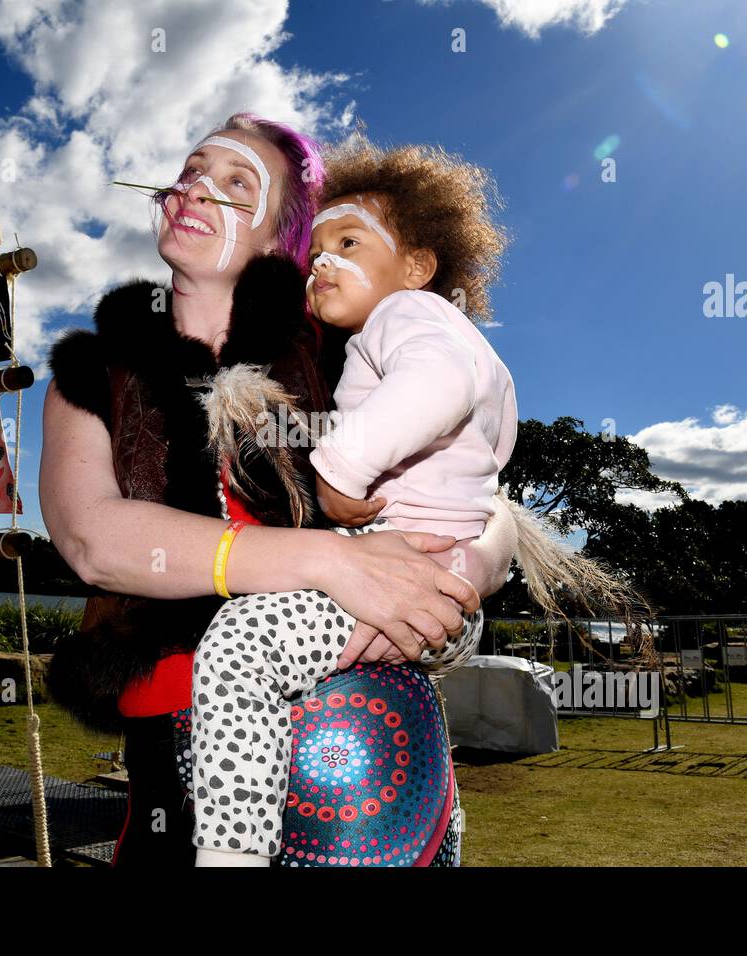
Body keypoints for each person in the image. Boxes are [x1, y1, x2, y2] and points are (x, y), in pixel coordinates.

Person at [40, 114, 519, 867]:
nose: (197, 187)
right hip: (171, 767)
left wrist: (456, 576)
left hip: (372, 752)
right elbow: (92, 538)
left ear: (281, 239)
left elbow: (486, 497)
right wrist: (327, 562)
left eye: (236, 183)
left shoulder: (353, 347)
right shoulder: (92, 371)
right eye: (191, 170)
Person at [189, 142, 520, 865]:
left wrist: (341, 477)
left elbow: (440, 392)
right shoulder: (418, 337)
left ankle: (229, 854)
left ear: (417, 267)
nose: (323, 263)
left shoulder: (408, 318)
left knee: (242, 646)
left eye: (347, 243)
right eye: (316, 254)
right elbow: (486, 456)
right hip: (409, 608)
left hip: (411, 586)